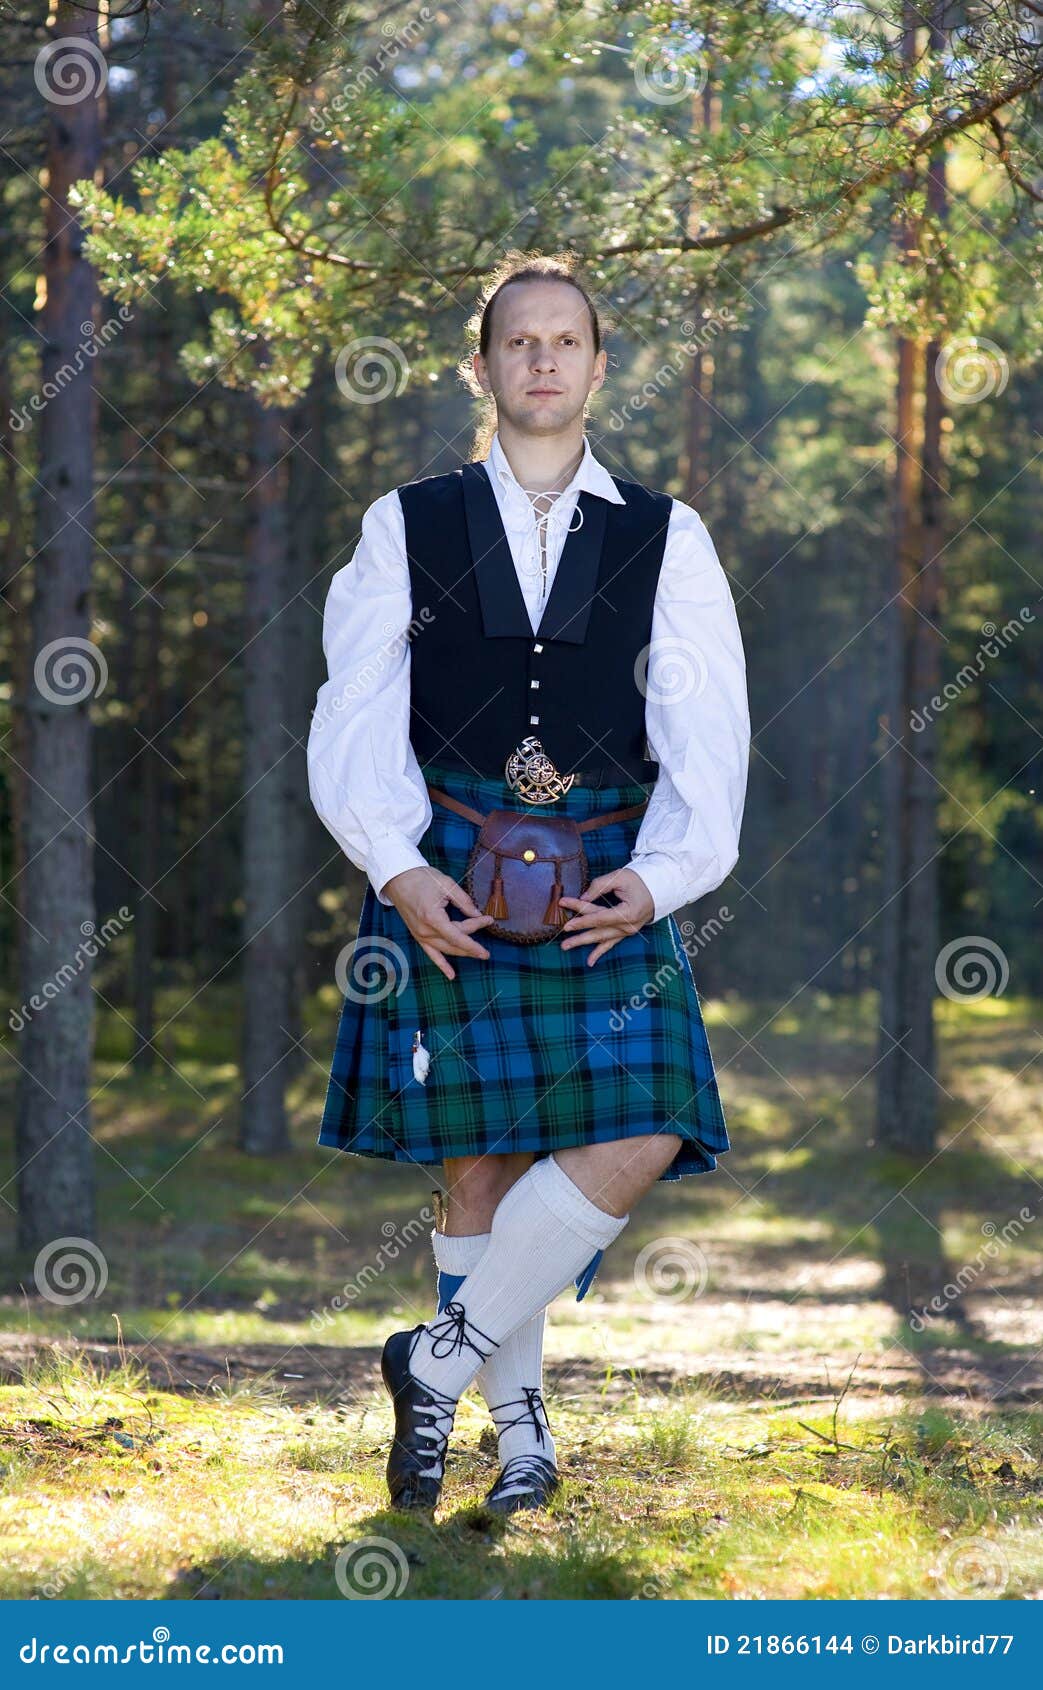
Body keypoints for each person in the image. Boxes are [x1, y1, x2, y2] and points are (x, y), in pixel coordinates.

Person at [307, 250, 750, 1517]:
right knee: (479, 1157)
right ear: (483, 365)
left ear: (598, 367)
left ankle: (430, 1363)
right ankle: (516, 1429)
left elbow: (706, 732)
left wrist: (661, 880)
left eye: (566, 341)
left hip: (606, 874)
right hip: (444, 863)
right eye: (518, 342)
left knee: (646, 1116)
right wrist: (395, 868)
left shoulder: (667, 535)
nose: (542, 359)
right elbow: (354, 714)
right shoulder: (409, 521)